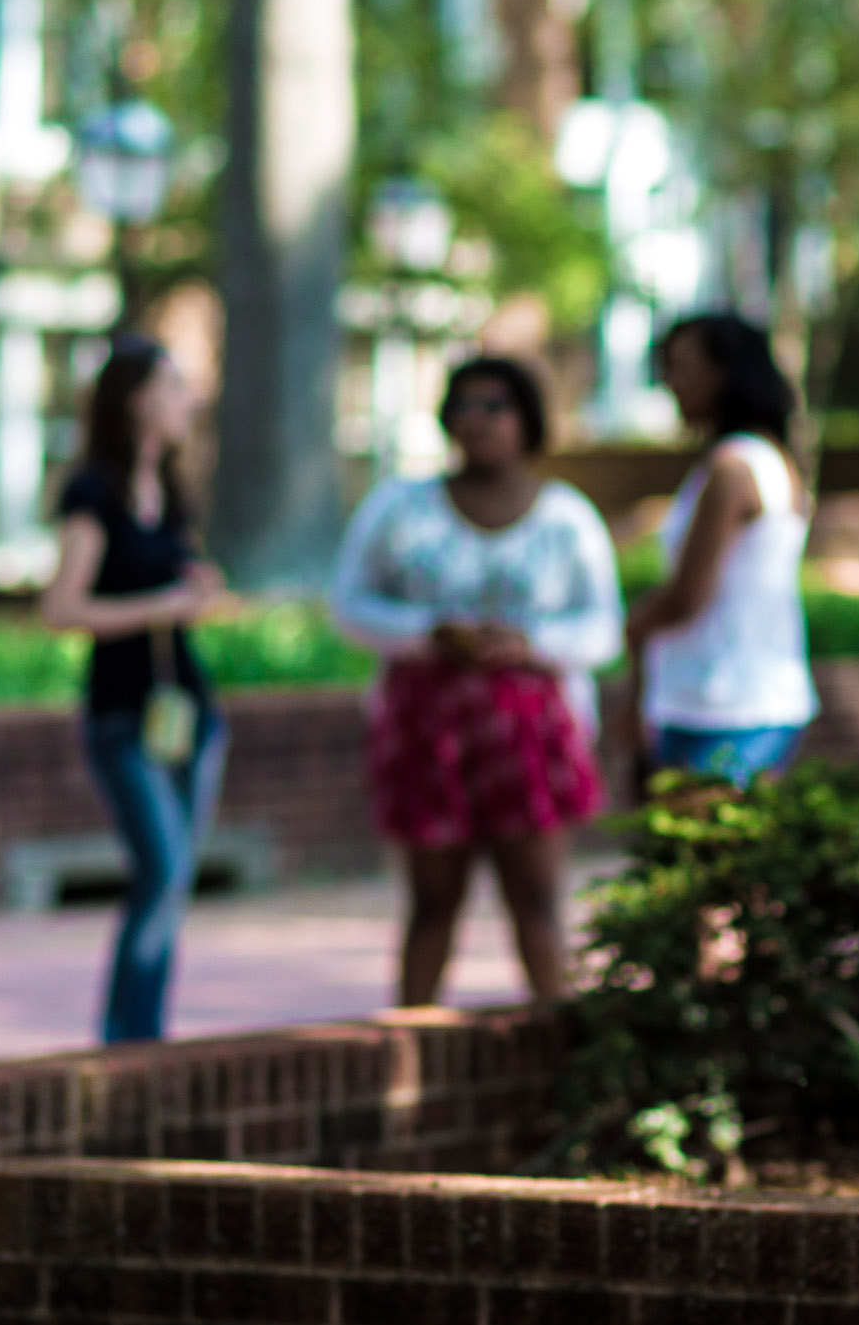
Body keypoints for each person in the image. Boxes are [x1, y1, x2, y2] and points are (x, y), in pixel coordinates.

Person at [326, 355, 625, 1007]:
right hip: (428, 731)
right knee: (432, 903)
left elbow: (604, 626)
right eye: (464, 405)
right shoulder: (399, 506)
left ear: (527, 419)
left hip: (532, 735)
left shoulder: (565, 518)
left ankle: (556, 1041)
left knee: (537, 901)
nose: (478, 421)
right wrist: (428, 632)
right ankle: (411, 1042)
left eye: (496, 406)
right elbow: (348, 602)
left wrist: (529, 645)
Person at [41, 335, 229, 1043]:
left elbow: (176, 585)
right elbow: (61, 608)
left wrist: (197, 592)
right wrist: (159, 605)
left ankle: (150, 1034)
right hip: (124, 713)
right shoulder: (93, 494)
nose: (187, 401)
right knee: (163, 868)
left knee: (174, 881)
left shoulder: (173, 491)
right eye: (172, 387)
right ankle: (126, 1040)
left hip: (187, 707)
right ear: (135, 400)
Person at [622, 313, 818, 784]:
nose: (669, 383)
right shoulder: (769, 459)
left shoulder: (733, 468)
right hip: (744, 695)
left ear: (724, 372)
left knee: (693, 830)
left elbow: (688, 595)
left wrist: (631, 628)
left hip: (722, 703)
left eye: (680, 367)